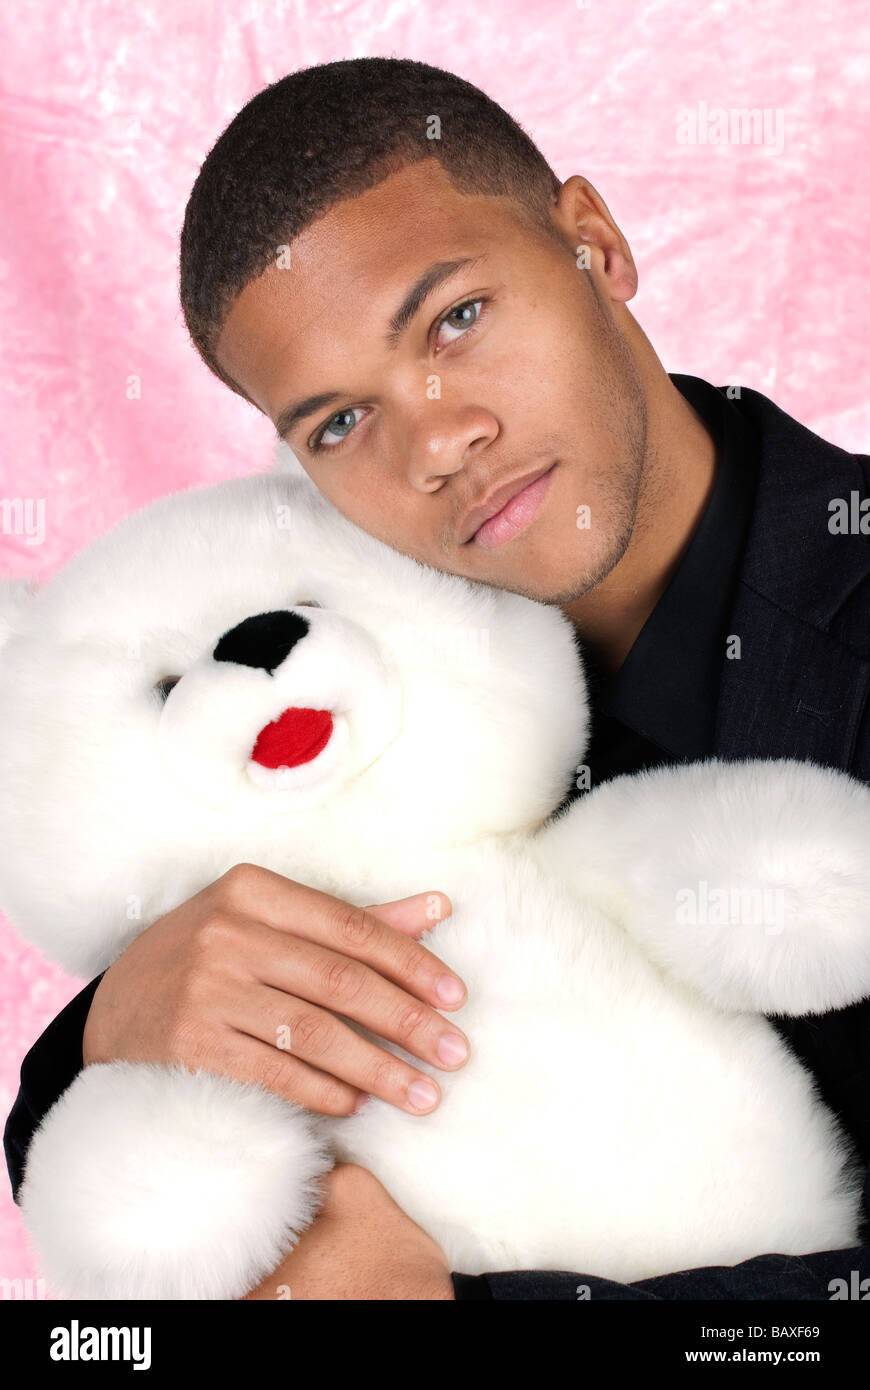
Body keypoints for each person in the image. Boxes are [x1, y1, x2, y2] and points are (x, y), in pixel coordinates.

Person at [5, 56, 869, 1301]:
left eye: (456, 318)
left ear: (594, 245)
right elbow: (151, 1043)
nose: (438, 440)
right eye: (340, 425)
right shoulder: (378, 661)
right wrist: (109, 1025)